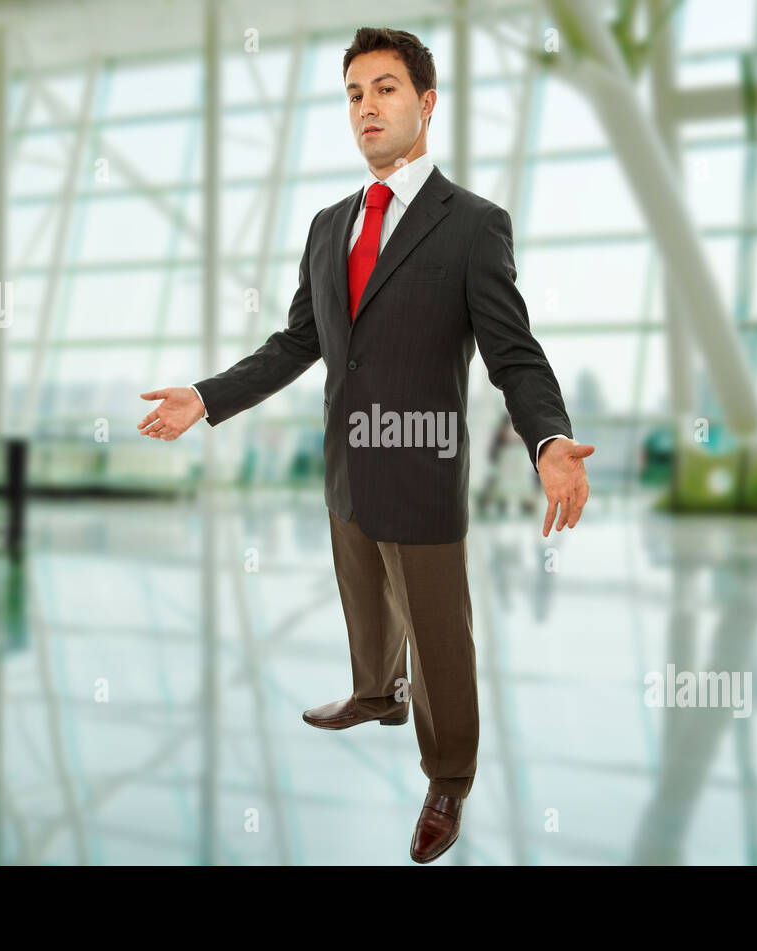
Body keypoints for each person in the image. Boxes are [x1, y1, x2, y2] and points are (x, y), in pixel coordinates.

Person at [137, 26, 593, 863]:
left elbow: (513, 351)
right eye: (353, 93)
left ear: (425, 103)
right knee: (363, 598)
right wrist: (205, 398)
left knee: (438, 634)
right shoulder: (327, 225)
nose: (366, 107)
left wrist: (548, 438)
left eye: (385, 89)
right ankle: (375, 694)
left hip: (422, 471)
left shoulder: (472, 227)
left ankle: (448, 773)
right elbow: (294, 344)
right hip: (347, 466)